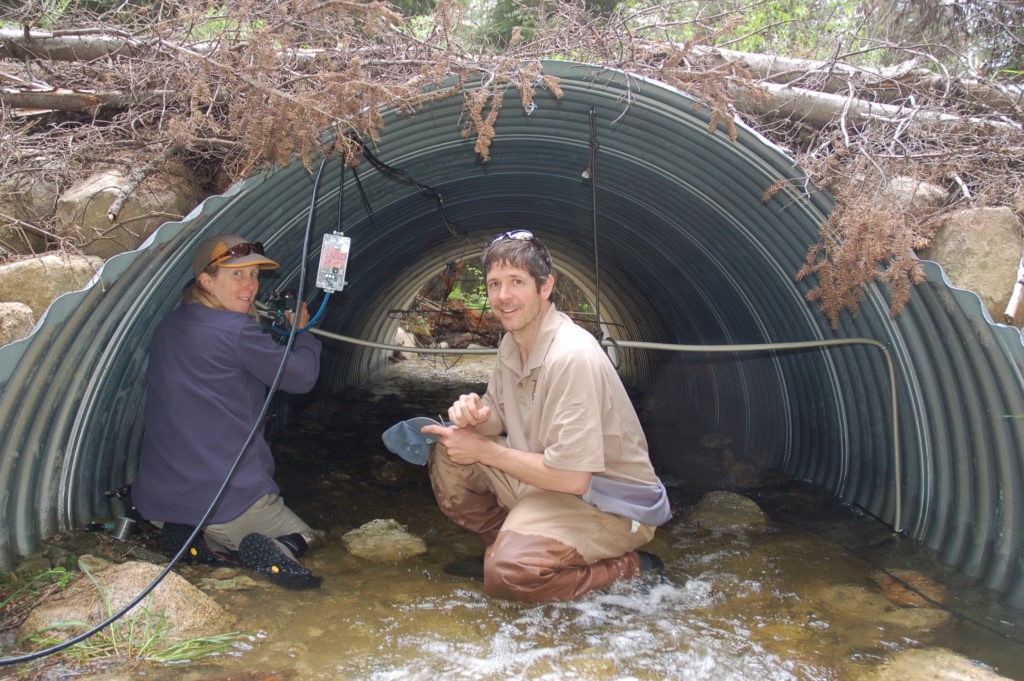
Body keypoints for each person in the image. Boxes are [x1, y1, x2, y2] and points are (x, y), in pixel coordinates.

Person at [419, 230, 670, 602]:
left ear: (545, 287)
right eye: (494, 284)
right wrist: (474, 415)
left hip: (605, 501)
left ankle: (625, 567)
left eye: (517, 282)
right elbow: (497, 418)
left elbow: (572, 478)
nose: (503, 297)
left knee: (510, 576)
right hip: (544, 481)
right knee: (450, 450)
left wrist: (484, 451)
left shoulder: (571, 357)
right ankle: (504, 545)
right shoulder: (512, 341)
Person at [132, 234, 323, 589]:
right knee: (309, 537)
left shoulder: (168, 326)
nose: (250, 285)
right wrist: (303, 333)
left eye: (253, 275)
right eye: (236, 275)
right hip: (225, 501)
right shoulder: (236, 330)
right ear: (206, 281)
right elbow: (302, 378)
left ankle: (202, 544)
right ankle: (257, 545)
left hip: (159, 500)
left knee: (221, 529)